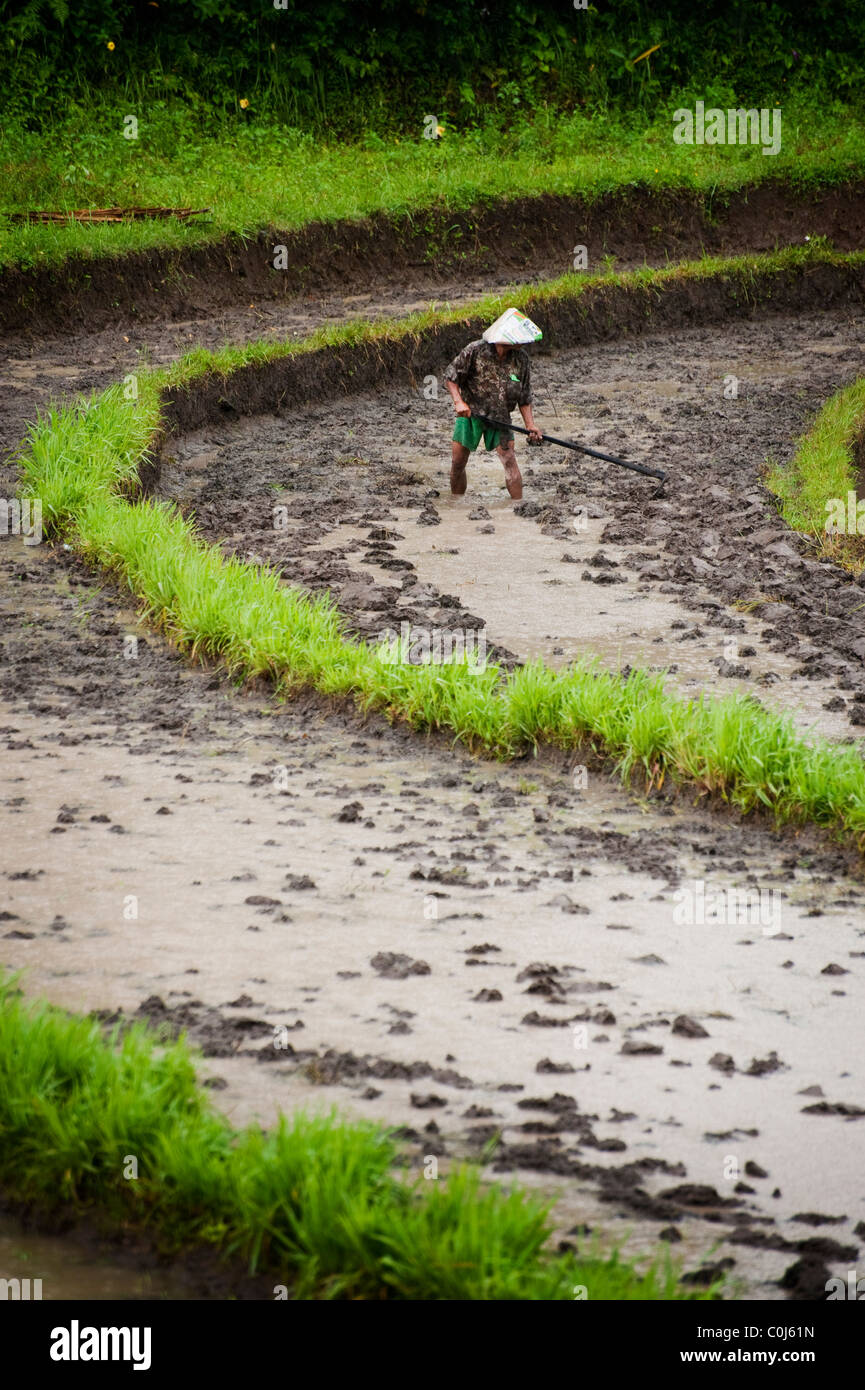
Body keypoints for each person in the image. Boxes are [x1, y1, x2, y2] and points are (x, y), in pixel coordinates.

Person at [443, 311, 543, 500]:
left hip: (500, 419)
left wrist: (530, 425)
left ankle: (518, 507)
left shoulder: (521, 360)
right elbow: (450, 376)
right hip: (471, 416)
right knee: (457, 462)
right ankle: (455, 505)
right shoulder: (475, 351)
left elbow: (524, 396)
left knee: (509, 461)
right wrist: (459, 402)